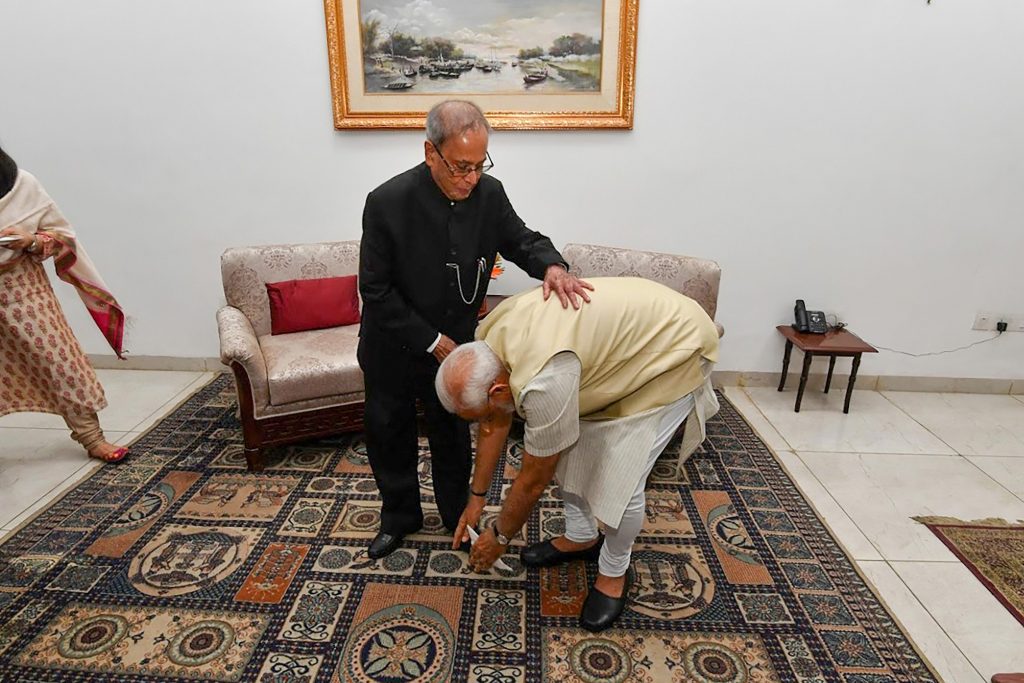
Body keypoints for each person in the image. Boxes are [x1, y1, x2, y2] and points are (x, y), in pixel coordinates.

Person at [357, 100, 592, 559]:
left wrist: (553, 266)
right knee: (390, 433)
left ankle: (456, 516)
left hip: (458, 349)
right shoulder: (386, 202)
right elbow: (376, 290)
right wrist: (432, 340)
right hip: (394, 344)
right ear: (430, 152)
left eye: (479, 166)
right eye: (460, 167)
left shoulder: (490, 193)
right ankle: (398, 517)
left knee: (451, 436)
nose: (470, 178)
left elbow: (523, 240)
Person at [435, 277, 720, 631]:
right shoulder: (488, 338)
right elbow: (497, 420)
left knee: (623, 477)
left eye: (479, 416)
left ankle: (614, 570)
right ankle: (582, 535)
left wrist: (500, 536)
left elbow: (533, 479)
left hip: (673, 351)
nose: (482, 425)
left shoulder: (544, 382)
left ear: (496, 390)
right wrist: (476, 499)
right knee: (570, 450)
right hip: (613, 351)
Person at [0, 144, 128, 462]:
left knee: (60, 363)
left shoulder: (23, 186)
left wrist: (31, 240)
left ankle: (92, 438)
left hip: (22, 290)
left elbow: (61, 236)